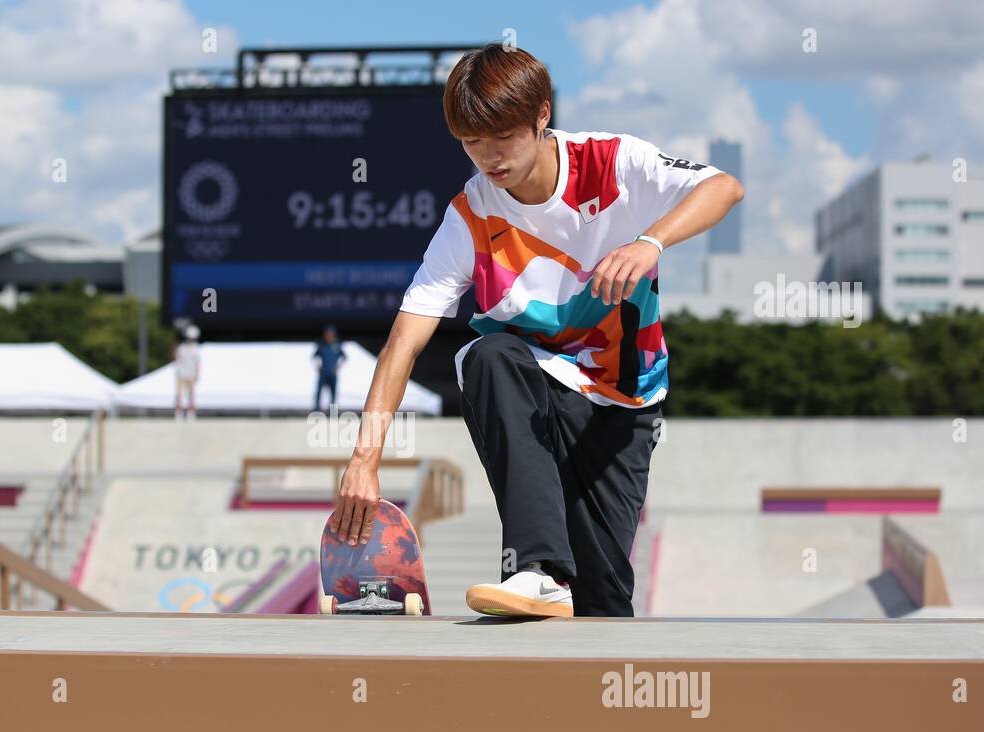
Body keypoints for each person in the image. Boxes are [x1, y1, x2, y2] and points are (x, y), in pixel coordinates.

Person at [328, 42, 743, 618]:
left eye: (502, 140)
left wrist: (650, 242)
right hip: (534, 388)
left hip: (622, 399)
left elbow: (723, 187)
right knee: (488, 356)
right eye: (472, 145)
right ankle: (536, 567)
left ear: (541, 116)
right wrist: (365, 458)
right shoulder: (469, 216)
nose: (489, 159)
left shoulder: (613, 162)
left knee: (602, 600)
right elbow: (406, 337)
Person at [313, 325, 346, 412]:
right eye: (326, 333)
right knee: (319, 391)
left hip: (332, 373)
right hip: (323, 372)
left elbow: (344, 357)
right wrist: (318, 367)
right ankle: (317, 409)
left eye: (330, 333)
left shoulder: (337, 345)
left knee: (333, 392)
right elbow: (314, 357)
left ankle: (332, 411)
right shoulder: (322, 345)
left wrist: (337, 368)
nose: (328, 335)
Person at [173, 324, 200, 421]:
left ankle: (191, 413)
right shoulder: (181, 348)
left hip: (191, 374)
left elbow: (197, 363)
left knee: (191, 394)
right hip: (182, 373)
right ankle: (178, 413)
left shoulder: (196, 349)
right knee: (179, 394)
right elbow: (177, 360)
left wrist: (197, 374)